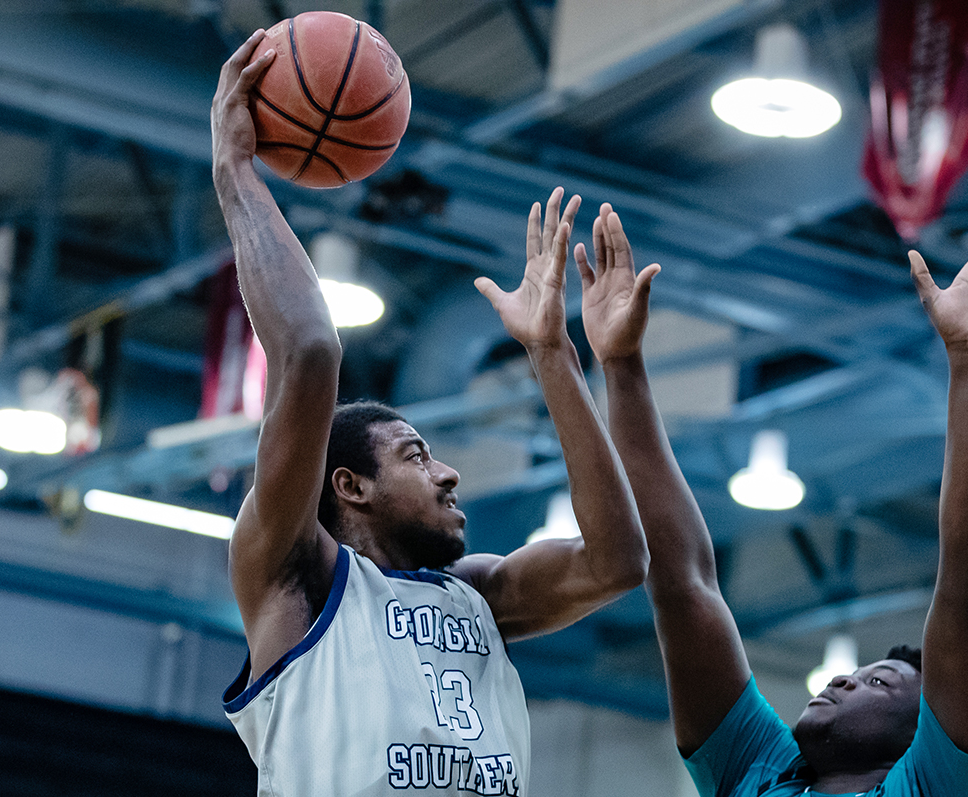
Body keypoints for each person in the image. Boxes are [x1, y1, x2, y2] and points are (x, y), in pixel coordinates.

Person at [211, 31, 650, 796]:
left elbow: (619, 560)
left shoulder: (475, 595)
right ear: (348, 485)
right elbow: (311, 350)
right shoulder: (297, 576)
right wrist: (236, 170)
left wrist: (551, 351)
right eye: (414, 455)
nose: (449, 473)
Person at [577, 202, 968, 797]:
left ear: (930, 734)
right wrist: (620, 365)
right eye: (861, 674)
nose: (844, 680)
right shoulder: (761, 772)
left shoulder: (944, 783)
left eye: (878, 685)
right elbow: (682, 586)